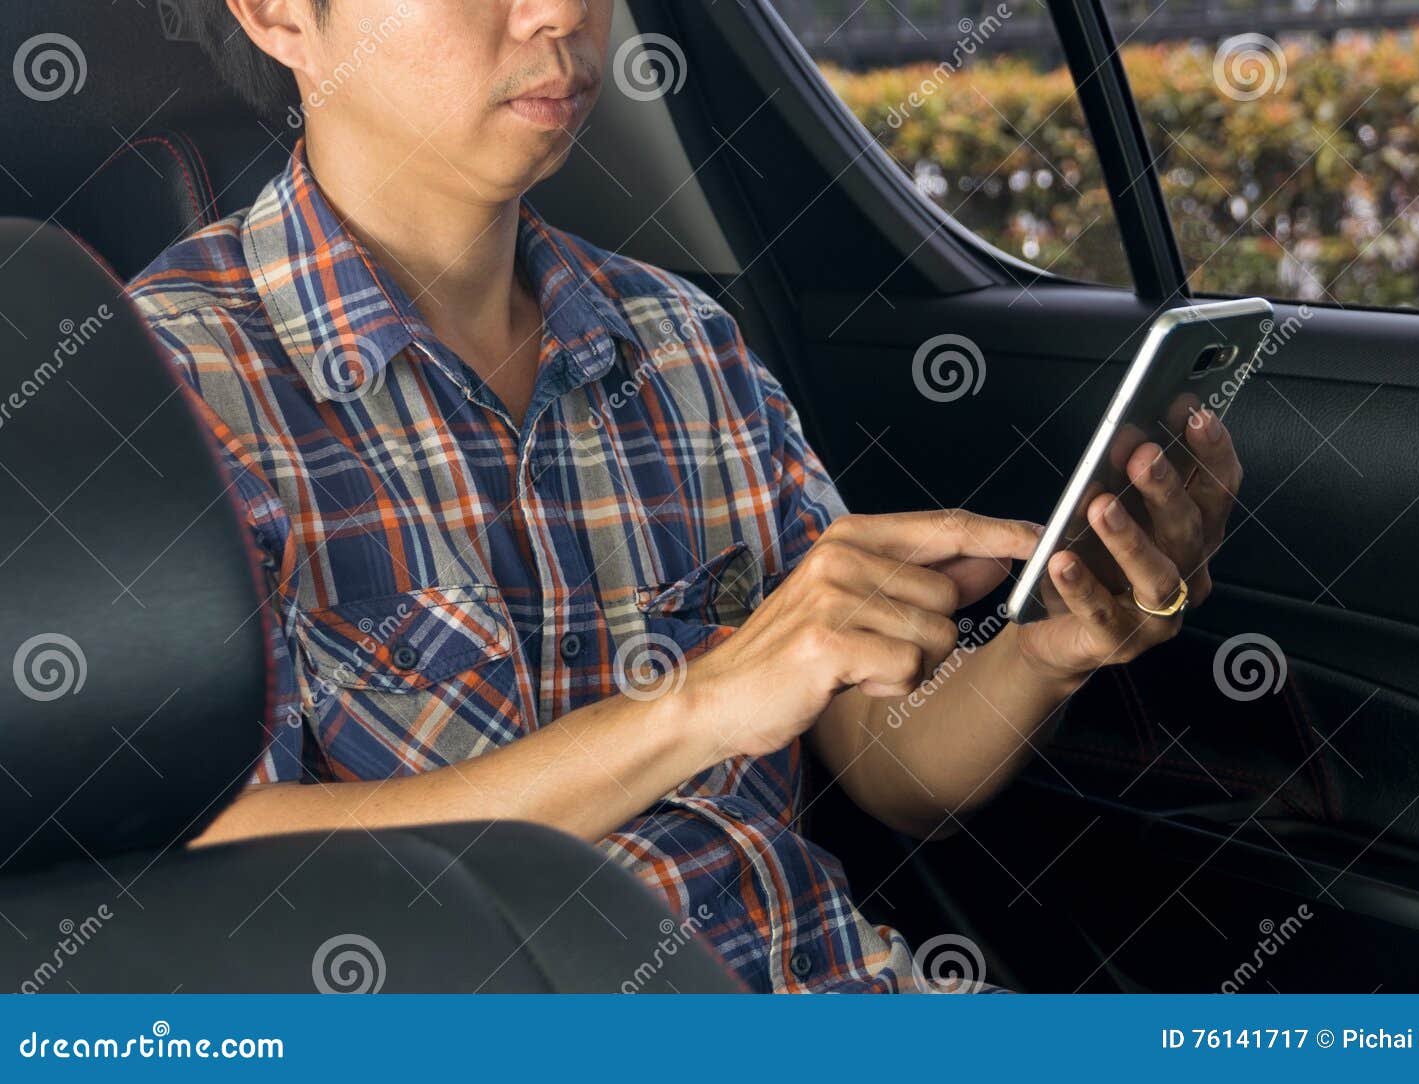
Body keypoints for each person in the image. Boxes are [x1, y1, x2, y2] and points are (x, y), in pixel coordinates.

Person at [129, 0, 1244, 993]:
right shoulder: (161, 387)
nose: (560, 14)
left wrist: (1043, 652)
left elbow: (882, 760)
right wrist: (693, 708)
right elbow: (220, 876)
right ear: (279, 15)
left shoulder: (680, 342)